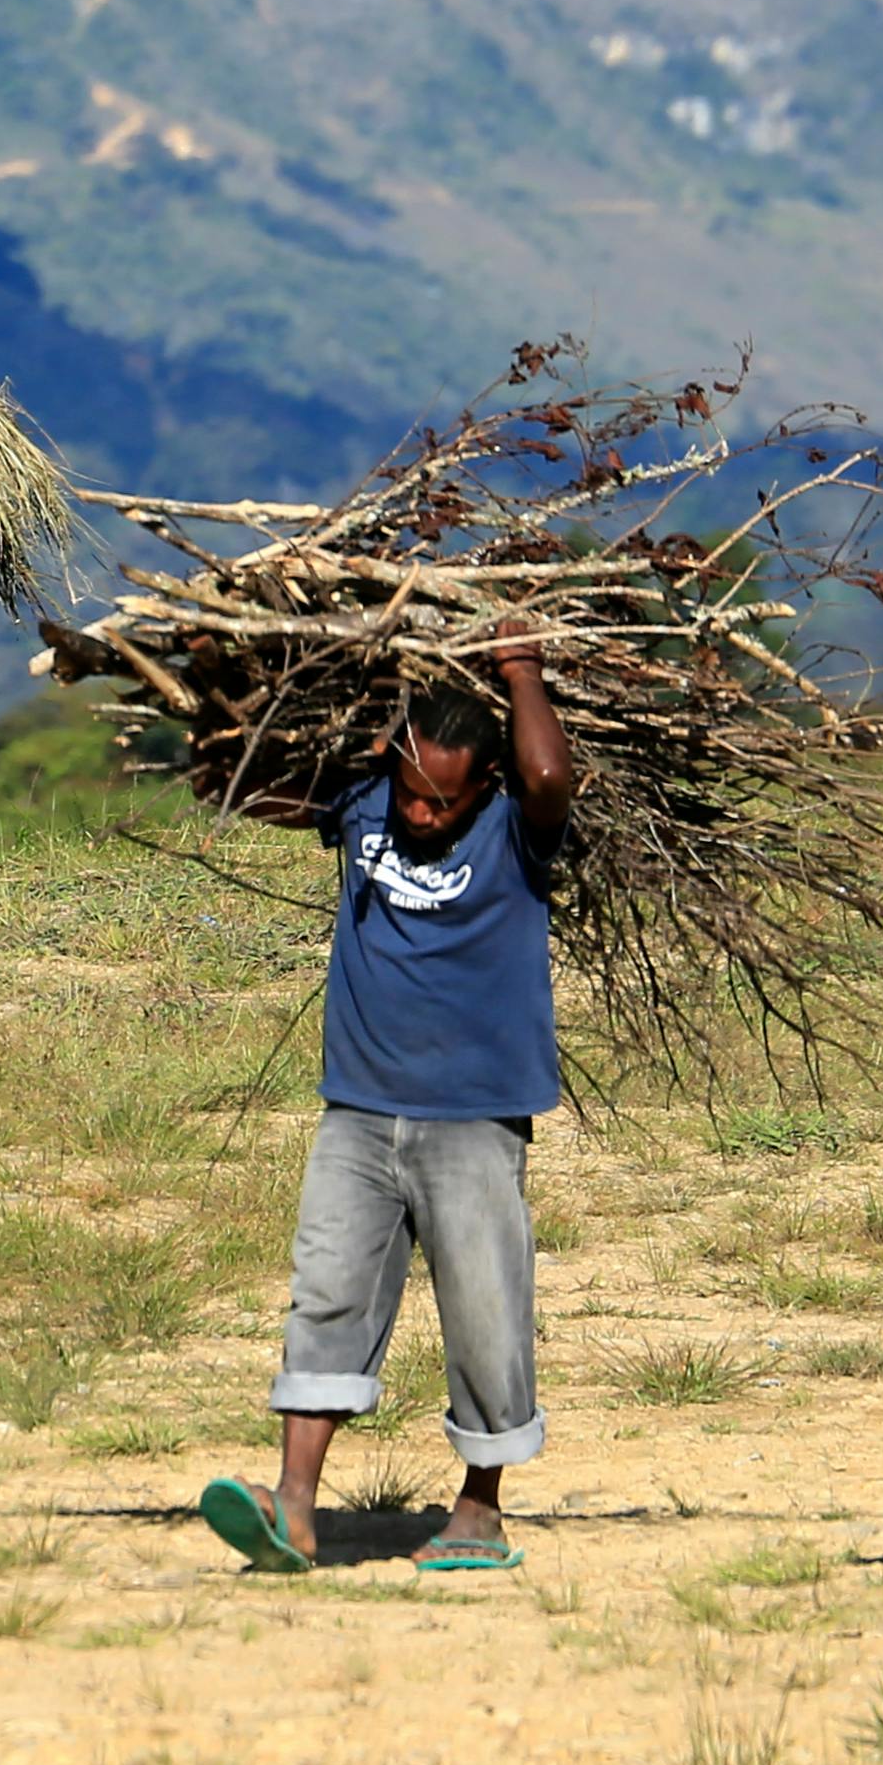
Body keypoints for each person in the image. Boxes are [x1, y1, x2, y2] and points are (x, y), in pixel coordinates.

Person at [201, 643, 579, 1577]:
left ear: (483, 786)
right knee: (328, 1292)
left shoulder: (515, 832)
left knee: (485, 1312)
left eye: (441, 801)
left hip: (476, 1118)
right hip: (359, 1110)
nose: (419, 814)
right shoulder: (362, 805)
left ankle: (480, 1510)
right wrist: (218, 700)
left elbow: (547, 776)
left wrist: (522, 671)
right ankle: (294, 1508)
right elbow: (238, 785)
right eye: (410, 793)